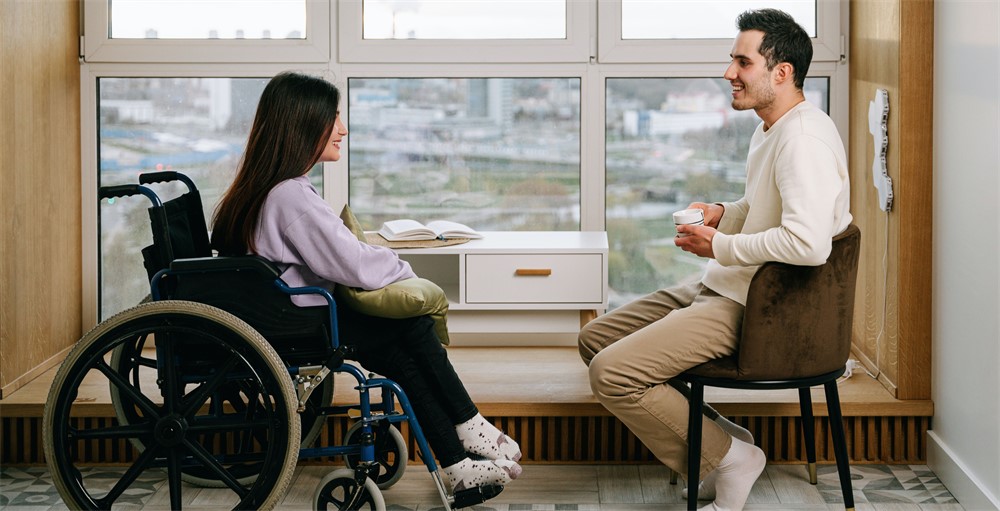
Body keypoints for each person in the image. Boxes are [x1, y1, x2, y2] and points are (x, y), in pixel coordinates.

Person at [579, 9, 852, 511]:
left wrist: (719, 245)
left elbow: (808, 244)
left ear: (782, 71)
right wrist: (725, 213)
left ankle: (729, 460)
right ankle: (725, 441)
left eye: (742, 62)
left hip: (760, 303)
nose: (729, 72)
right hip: (730, 281)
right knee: (596, 339)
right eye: (732, 60)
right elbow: (767, 206)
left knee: (612, 374)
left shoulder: (804, 140)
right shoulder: (773, 127)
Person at [211, 71, 522, 492]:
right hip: (302, 320)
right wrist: (402, 269)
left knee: (402, 354)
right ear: (303, 125)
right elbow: (350, 264)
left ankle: (456, 457)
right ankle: (467, 428)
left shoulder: (273, 188)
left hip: (291, 312)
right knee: (411, 327)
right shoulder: (290, 196)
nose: (343, 129)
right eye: (333, 119)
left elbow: (337, 255)